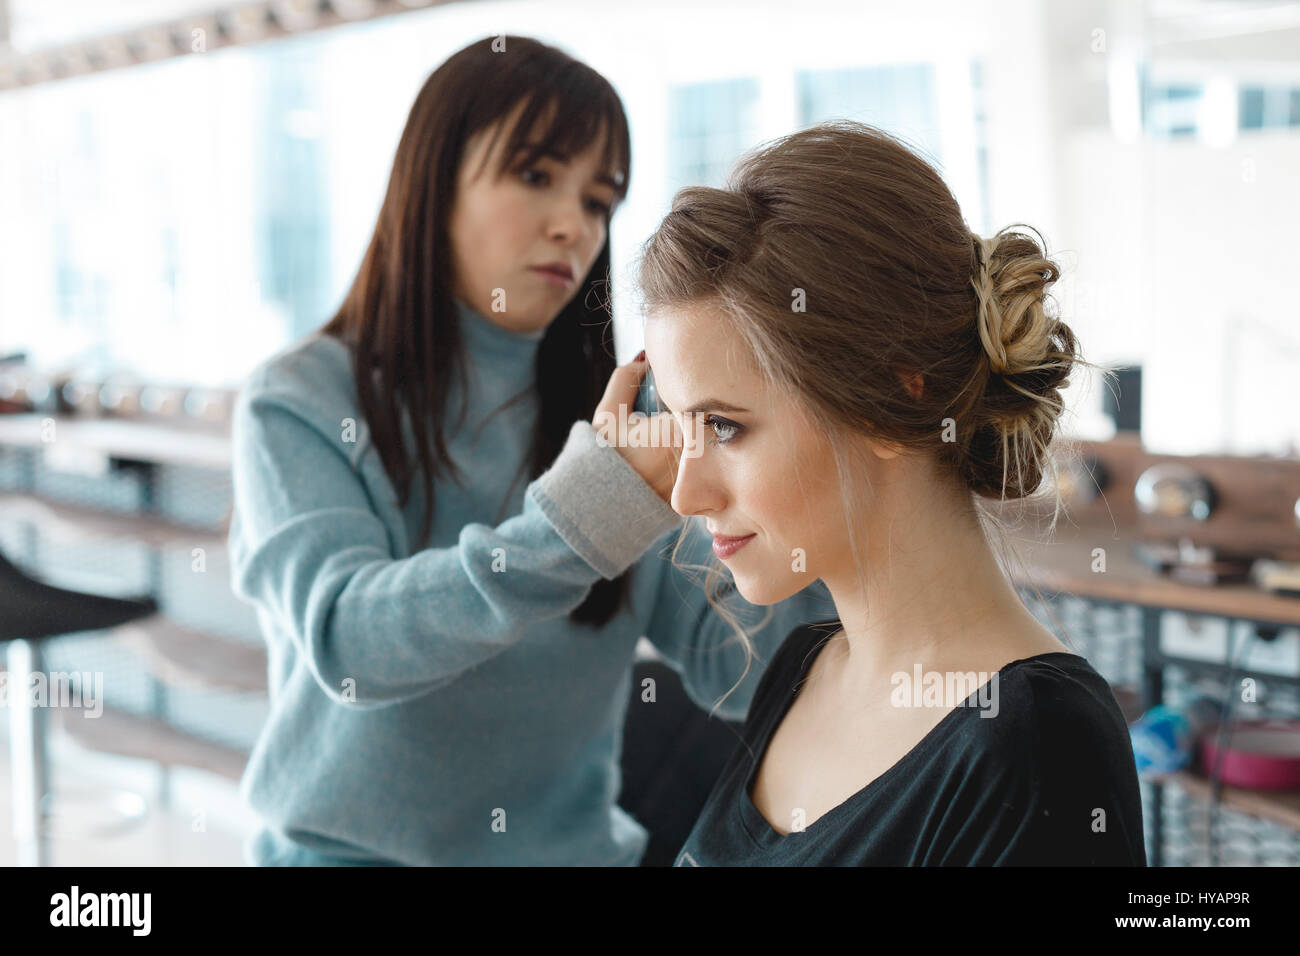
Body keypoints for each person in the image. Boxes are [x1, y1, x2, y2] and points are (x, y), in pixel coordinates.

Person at [226, 36, 831, 866]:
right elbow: (346, 643)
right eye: (537, 175)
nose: (571, 226)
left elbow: (737, 663)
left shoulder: (631, 415)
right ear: (433, 182)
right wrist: (583, 518)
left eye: (598, 200)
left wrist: (824, 502)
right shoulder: (299, 399)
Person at [637, 120, 1147, 866]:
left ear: (885, 399)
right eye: (681, 428)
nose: (685, 494)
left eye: (723, 426)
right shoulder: (803, 667)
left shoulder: (1039, 743)